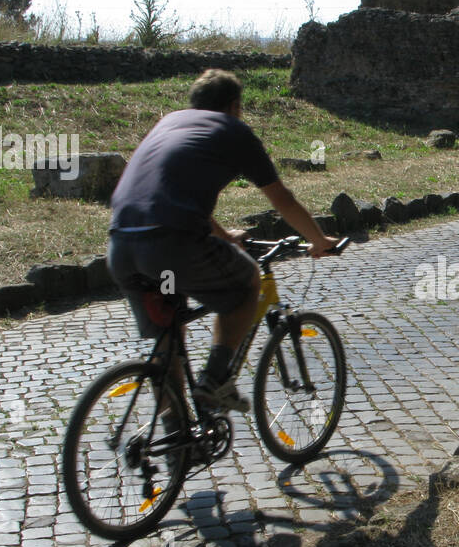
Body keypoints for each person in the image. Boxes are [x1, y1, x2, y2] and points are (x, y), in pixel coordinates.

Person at [108, 68, 340, 412]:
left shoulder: (168, 123)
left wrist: (224, 235)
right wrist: (318, 239)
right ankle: (215, 380)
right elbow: (282, 199)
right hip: (172, 248)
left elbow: (171, 196)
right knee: (247, 281)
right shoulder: (233, 130)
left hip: (123, 247)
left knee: (168, 335)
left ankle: (178, 444)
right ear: (234, 106)